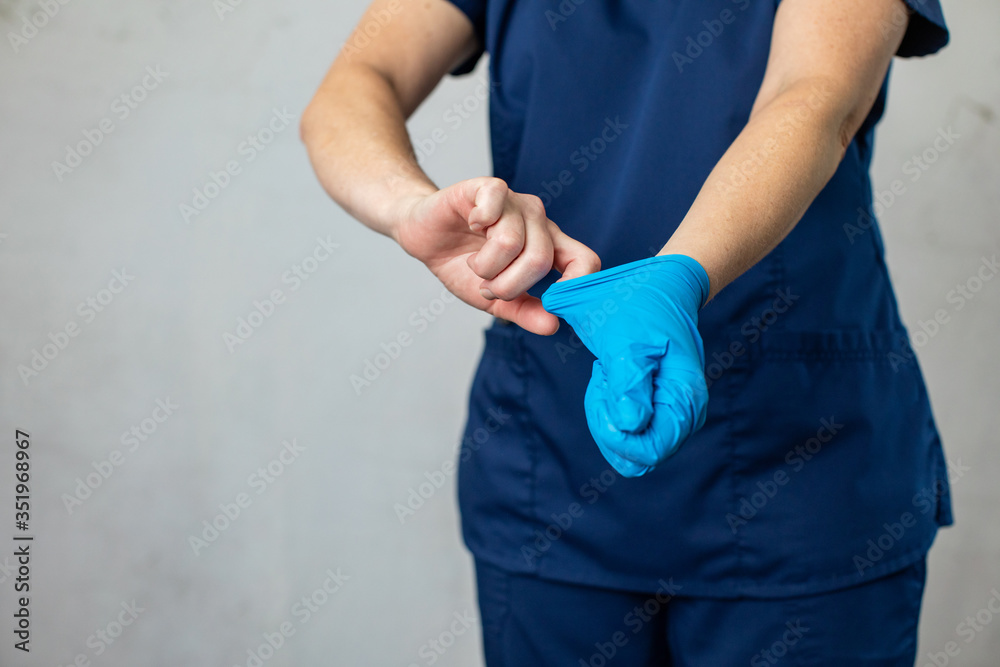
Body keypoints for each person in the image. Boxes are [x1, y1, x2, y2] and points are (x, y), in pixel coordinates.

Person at [302, 0, 953, 662]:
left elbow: (814, 97)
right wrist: (411, 207)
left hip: (801, 471)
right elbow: (356, 84)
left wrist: (681, 274)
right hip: (551, 469)